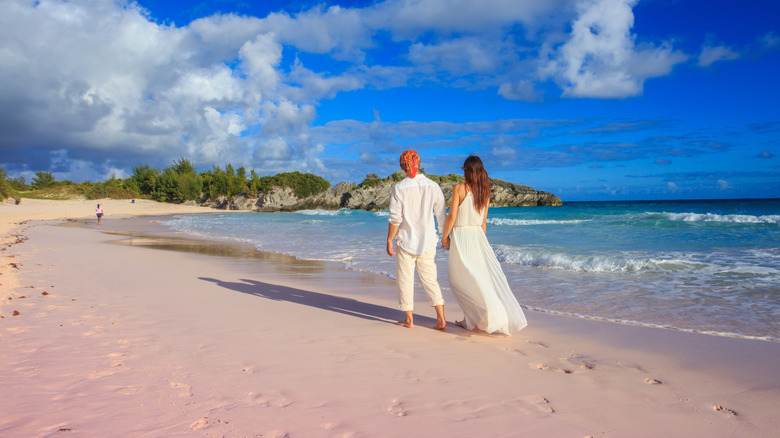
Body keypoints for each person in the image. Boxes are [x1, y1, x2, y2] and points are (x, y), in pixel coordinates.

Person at [441, 156, 527, 335]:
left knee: (460, 280)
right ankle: (471, 320)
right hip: (478, 236)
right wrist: (482, 241)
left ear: (467, 170)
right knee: (473, 277)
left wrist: (444, 237)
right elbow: (483, 221)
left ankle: (492, 314)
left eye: (464, 170)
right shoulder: (485, 191)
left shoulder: (459, 188)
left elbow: (452, 216)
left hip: (463, 236)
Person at [386, 150, 447, 330]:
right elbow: (441, 214)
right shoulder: (433, 185)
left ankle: (409, 320)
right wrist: (445, 236)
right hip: (428, 241)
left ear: (402, 166)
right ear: (418, 162)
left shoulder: (399, 188)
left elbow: (395, 218)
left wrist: (390, 239)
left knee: (405, 280)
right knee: (430, 279)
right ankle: (441, 318)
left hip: (406, 241)